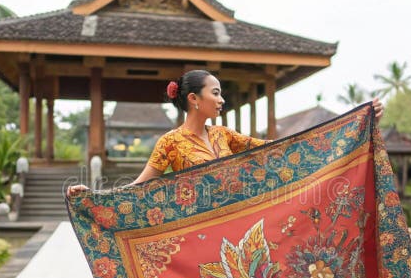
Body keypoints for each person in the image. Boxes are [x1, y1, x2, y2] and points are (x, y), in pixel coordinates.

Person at [67, 70, 383, 195]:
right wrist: (93, 196)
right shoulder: (170, 143)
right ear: (194, 99)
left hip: (237, 228)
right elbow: (138, 187)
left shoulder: (224, 135)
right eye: (216, 93)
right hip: (197, 233)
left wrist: (353, 124)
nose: (221, 100)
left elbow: (280, 147)